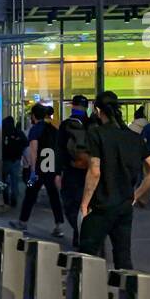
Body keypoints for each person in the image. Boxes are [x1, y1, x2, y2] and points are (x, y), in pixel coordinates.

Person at [77, 91, 150, 269]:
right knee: (123, 258)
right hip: (124, 206)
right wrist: (135, 195)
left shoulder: (96, 134)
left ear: (98, 110)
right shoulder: (134, 137)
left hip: (100, 206)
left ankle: (88, 294)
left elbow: (95, 172)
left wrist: (84, 204)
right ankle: (126, 296)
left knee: (86, 256)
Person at [18, 104, 65, 237]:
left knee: (30, 193)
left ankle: (23, 222)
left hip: (38, 169)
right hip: (50, 168)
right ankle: (59, 225)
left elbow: (33, 151)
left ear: (33, 116)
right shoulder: (53, 129)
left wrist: (32, 170)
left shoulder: (35, 130)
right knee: (54, 195)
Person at [56, 95, 92, 244]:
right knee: (87, 204)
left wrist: (57, 171)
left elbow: (58, 149)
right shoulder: (92, 124)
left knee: (71, 204)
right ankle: (85, 233)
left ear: (73, 106)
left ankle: (79, 231)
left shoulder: (65, 125)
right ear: (86, 107)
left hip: (71, 170)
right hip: (90, 170)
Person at [0, 115, 26, 208]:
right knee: (15, 181)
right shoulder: (18, 132)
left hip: (5, 160)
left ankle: (5, 198)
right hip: (16, 160)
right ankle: (14, 199)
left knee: (4, 180)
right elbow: (25, 143)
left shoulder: (2, 133)